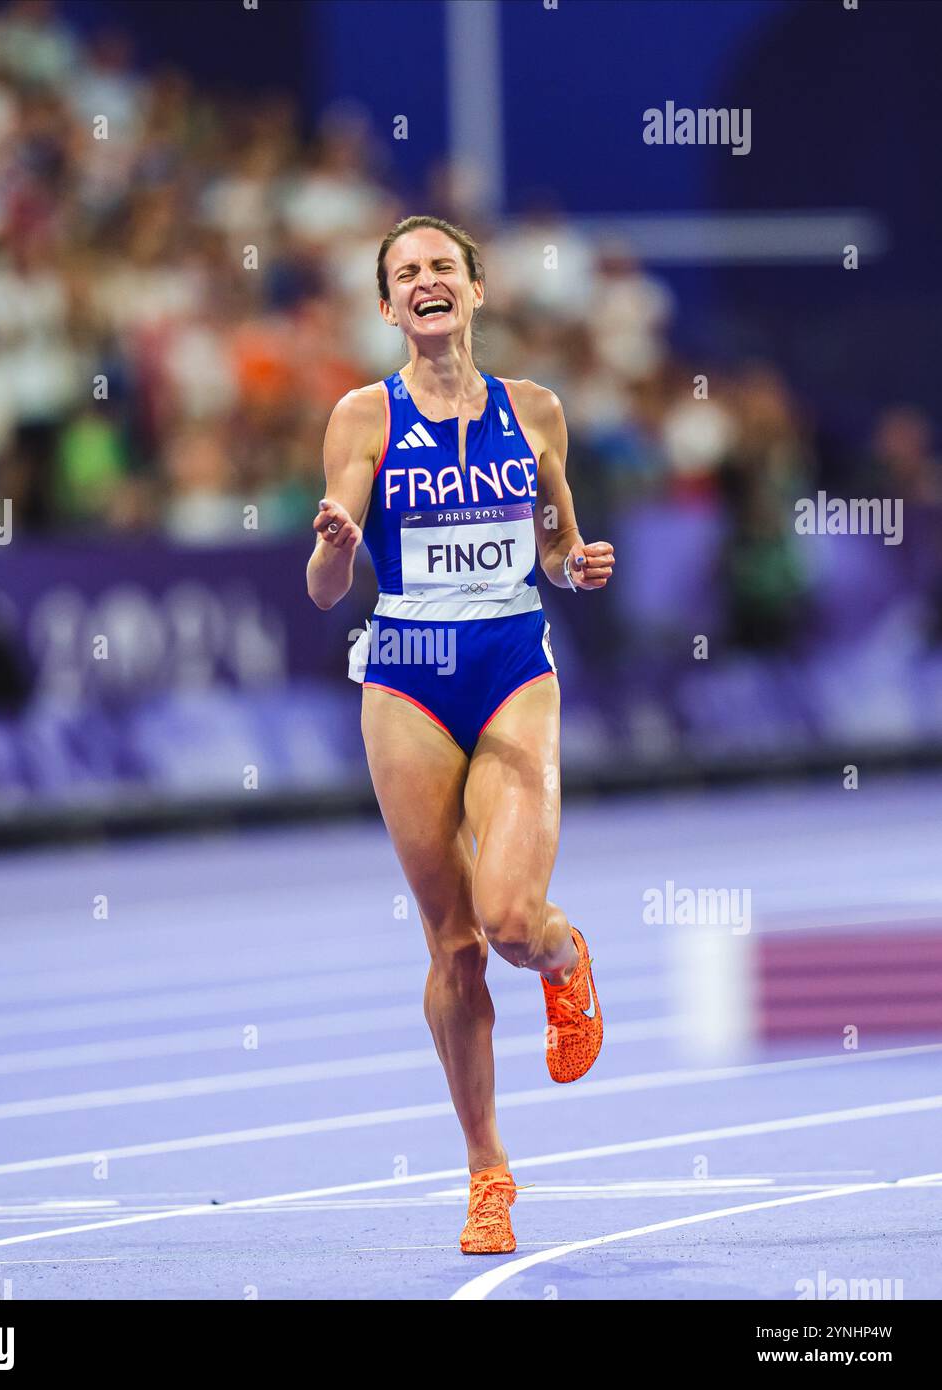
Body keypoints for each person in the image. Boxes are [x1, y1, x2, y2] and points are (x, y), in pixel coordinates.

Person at [307, 216, 615, 1254]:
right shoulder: (361, 418)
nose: (426, 282)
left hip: (509, 666)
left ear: (475, 292)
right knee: (453, 944)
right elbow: (320, 590)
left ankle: (565, 956)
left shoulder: (534, 412)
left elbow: (557, 544)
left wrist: (576, 563)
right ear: (388, 308)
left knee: (512, 920)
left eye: (443, 266)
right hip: (406, 679)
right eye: (406, 274)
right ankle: (487, 1172)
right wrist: (336, 549)